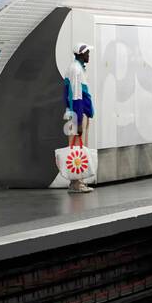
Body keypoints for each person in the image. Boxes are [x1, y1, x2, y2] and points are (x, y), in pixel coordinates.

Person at [64, 42, 94, 193]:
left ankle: (77, 181)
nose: (89, 55)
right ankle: (76, 183)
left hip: (76, 113)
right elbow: (76, 96)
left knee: (77, 147)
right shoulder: (76, 70)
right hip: (77, 114)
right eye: (87, 53)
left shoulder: (76, 68)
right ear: (81, 54)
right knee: (77, 148)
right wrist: (79, 122)